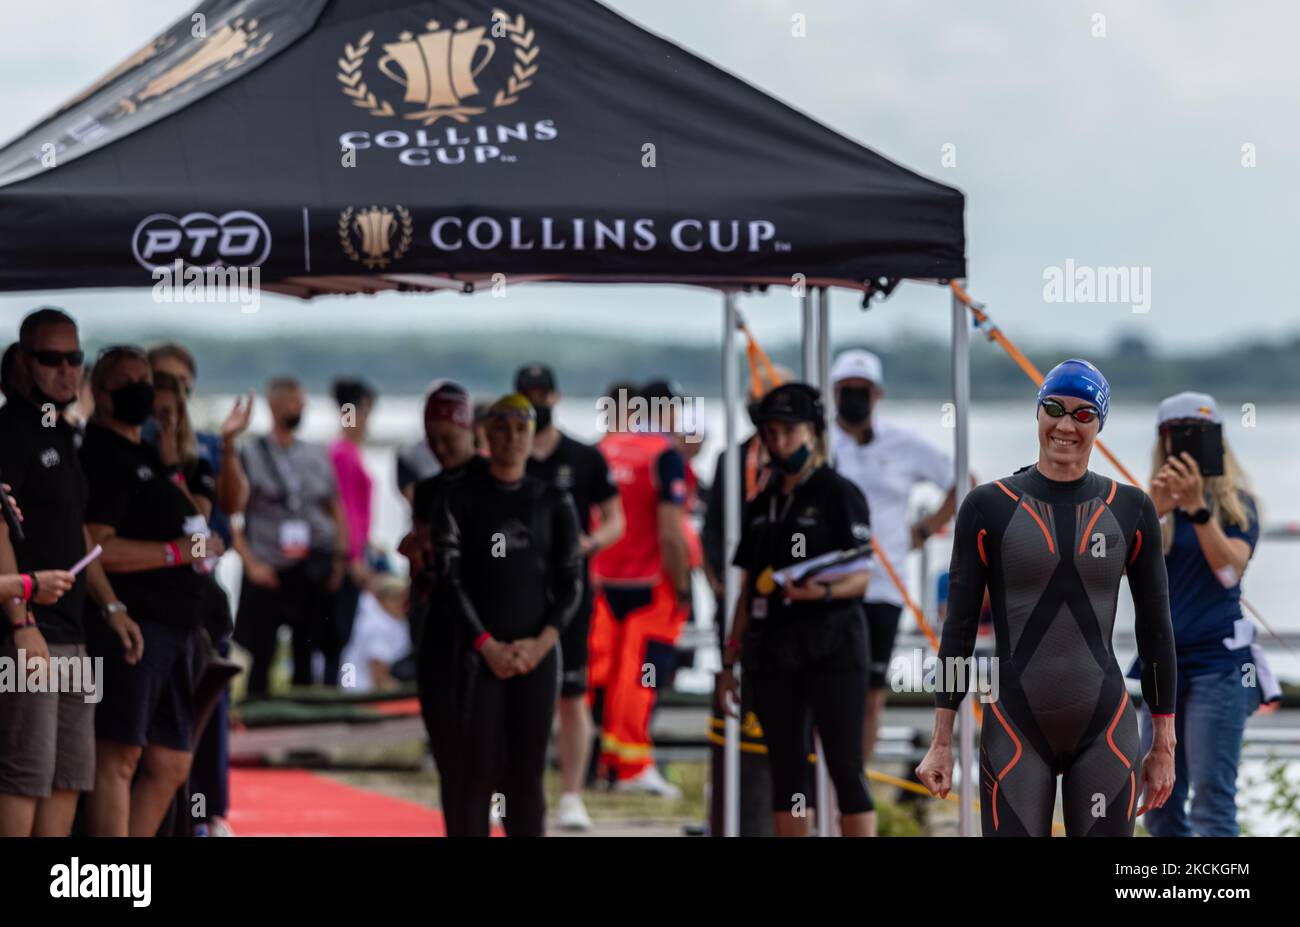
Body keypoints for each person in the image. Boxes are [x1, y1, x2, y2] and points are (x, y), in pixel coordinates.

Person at [916, 359, 1178, 836]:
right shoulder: (987, 506)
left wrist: (1163, 742)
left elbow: (1156, 630)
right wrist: (941, 740)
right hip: (1015, 721)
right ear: (1037, 413)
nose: (1065, 424)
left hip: (1105, 725)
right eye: (1054, 408)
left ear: (1100, 424)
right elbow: (957, 631)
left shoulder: (1131, 509)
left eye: (1083, 414)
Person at [0, 310, 142, 838]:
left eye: (74, 358)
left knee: (69, 776)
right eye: (50, 358)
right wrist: (21, 623)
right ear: (21, 363)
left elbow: (79, 535)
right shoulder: (12, 430)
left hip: (74, 630)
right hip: (28, 631)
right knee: (23, 775)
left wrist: (111, 605)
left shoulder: (59, 431)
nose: (65, 370)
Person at [718, 382, 876, 837]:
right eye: (771, 431)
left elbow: (862, 575)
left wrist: (822, 594)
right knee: (787, 772)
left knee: (846, 768)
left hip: (835, 646)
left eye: (790, 431)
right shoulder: (761, 502)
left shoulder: (839, 492)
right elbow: (748, 589)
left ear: (813, 432)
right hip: (772, 652)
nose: (780, 441)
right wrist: (730, 659)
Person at [80, 346, 218, 837]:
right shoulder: (100, 454)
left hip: (179, 626)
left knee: (173, 762)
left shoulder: (148, 453)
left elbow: (200, 521)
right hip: (134, 624)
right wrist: (173, 553)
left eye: (146, 379)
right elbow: (95, 546)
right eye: (127, 382)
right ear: (98, 393)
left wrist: (175, 446)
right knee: (120, 756)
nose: (141, 389)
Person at [433, 394, 583, 837]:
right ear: (485, 433)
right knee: (476, 769)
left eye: (521, 429)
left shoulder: (553, 500)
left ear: (533, 434)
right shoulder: (459, 498)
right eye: (502, 428)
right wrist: (486, 644)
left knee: (527, 770)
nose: (512, 439)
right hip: (480, 653)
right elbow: (449, 582)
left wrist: (542, 643)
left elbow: (572, 582)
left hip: (536, 654)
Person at [1131, 391, 1264, 836]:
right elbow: (1108, 569)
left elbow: (1229, 571)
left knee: (1212, 798)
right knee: (1159, 798)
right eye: (1179, 434)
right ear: (1162, 442)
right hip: (1161, 664)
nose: (1189, 444)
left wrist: (1199, 511)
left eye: (1201, 434)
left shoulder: (1235, 505)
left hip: (1219, 662)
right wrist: (1152, 512)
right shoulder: (1150, 506)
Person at [827, 349, 961, 764]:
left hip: (883, 585)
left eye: (862, 391)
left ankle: (856, 784)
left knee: (870, 690)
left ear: (877, 395)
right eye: (847, 390)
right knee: (826, 689)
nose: (854, 398)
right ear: (833, 393)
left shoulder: (904, 443)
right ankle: (818, 791)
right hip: (827, 584)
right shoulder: (817, 441)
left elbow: (962, 479)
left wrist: (921, 530)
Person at [146, 343, 251, 838]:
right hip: (146, 605)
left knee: (203, 715)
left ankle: (205, 815)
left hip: (200, 604)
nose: (172, 396)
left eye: (182, 387)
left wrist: (227, 445)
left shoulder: (204, 446)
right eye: (161, 385)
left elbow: (216, 517)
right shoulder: (125, 446)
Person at [515, 363, 624, 830]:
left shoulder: (585, 458)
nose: (537, 402)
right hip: (516, 588)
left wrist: (589, 543)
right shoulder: (508, 454)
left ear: (556, 398)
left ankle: (572, 794)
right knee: (516, 689)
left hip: (570, 589)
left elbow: (616, 520)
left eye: (543, 394)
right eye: (528, 394)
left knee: (573, 692)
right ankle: (518, 787)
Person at [589, 381, 691, 798]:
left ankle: (604, 764)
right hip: (651, 583)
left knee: (606, 677)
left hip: (601, 582)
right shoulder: (664, 456)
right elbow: (671, 533)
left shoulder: (602, 449)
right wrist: (684, 586)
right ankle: (632, 765)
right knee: (642, 676)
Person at [400, 381, 484, 835]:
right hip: (438, 621)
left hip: (486, 623)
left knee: (487, 752)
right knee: (447, 746)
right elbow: (420, 549)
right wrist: (416, 552)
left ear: (470, 431)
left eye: (448, 439)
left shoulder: (493, 480)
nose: (439, 448)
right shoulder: (429, 488)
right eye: (432, 441)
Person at [232, 377, 350, 695]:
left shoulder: (315, 454)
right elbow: (230, 517)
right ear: (275, 405)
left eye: (303, 401)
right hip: (269, 567)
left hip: (311, 566)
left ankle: (306, 730)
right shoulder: (252, 454)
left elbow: (335, 507)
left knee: (307, 650)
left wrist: (340, 557)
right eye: (295, 401)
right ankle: (256, 722)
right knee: (262, 653)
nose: (301, 407)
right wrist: (252, 564)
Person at [328, 377, 378, 674]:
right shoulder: (342, 453)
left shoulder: (351, 452)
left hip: (359, 549)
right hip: (349, 555)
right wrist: (353, 556)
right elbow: (343, 508)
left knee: (346, 630)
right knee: (339, 630)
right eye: (367, 413)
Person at [340, 573, 411, 691]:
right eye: (397, 598)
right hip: (362, 696)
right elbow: (379, 679)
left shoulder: (389, 620)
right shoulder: (378, 626)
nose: (403, 605)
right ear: (383, 599)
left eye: (405, 599)